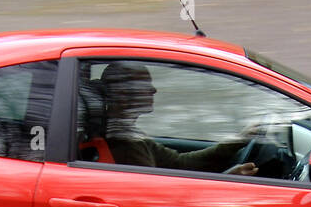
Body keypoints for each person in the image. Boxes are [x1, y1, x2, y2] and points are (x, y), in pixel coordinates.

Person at [98, 62, 258, 175]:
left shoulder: (130, 134)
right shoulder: (124, 143)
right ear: (122, 94)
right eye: (144, 83)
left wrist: (238, 140)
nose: (153, 90)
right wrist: (228, 178)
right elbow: (156, 195)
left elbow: (180, 163)